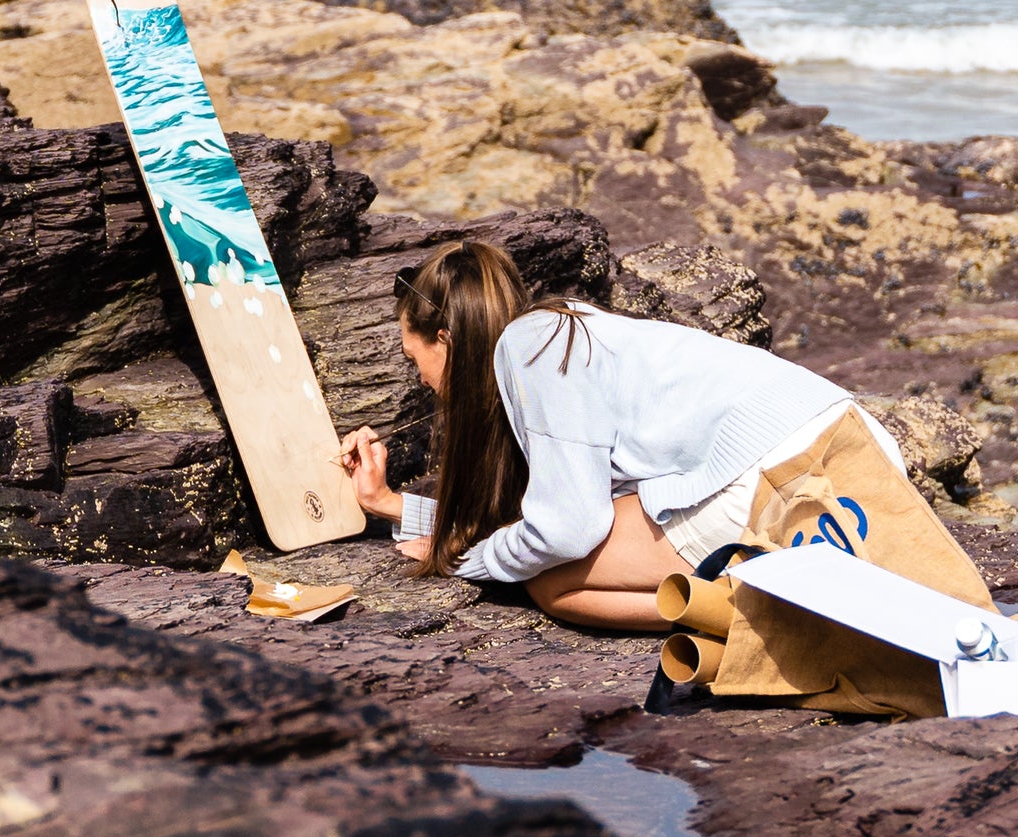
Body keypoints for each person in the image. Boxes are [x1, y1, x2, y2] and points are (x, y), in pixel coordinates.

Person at [335, 236, 913, 629]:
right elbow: (537, 511)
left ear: (449, 343)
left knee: (550, 582)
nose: (424, 381)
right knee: (548, 550)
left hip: (793, 475)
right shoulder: (560, 331)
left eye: (417, 360)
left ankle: (773, 619)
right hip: (856, 451)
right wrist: (390, 505)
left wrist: (472, 562)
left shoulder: (530, 350)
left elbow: (565, 531)